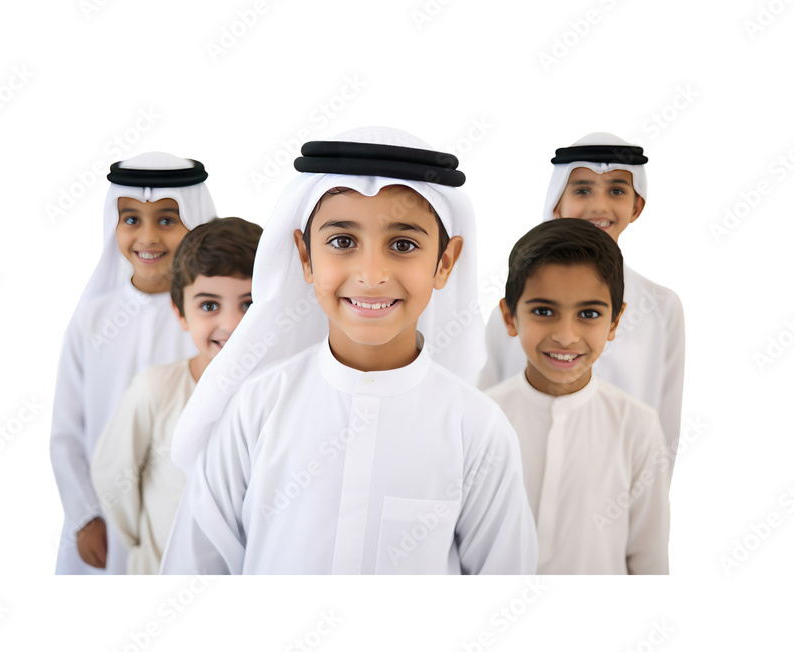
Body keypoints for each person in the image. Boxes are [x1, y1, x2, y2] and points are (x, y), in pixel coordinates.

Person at [161, 127, 537, 575]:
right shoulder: (254, 410)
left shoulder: (476, 429)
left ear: (444, 263)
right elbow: (194, 573)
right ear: (305, 256)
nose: (371, 275)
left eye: (403, 245)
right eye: (342, 242)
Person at [49, 152, 216, 574]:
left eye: (167, 220)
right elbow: (67, 432)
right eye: (131, 219)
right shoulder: (92, 319)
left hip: (187, 516)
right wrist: (85, 516)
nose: (148, 237)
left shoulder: (215, 321)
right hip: (102, 522)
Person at [477, 133, 685, 470]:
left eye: (616, 191)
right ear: (557, 202)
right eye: (583, 190)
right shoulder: (515, 307)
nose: (599, 206)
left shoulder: (663, 307)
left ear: (636, 206)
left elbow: (666, 419)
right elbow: (484, 411)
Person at [485, 218, 670, 574]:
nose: (566, 336)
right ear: (509, 317)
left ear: (614, 322)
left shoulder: (636, 426)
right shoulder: (482, 420)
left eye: (588, 314)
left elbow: (649, 560)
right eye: (543, 311)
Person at [90, 218, 261, 574]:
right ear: (181, 313)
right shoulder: (157, 389)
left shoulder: (280, 397)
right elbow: (113, 476)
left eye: (248, 304)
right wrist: (145, 542)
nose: (232, 324)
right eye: (209, 306)